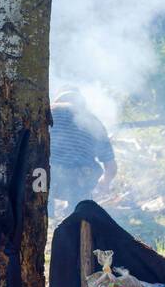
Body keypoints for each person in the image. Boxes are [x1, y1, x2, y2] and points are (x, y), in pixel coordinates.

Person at [50, 87, 118, 218]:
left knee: (42, 200)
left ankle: (44, 216)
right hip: (81, 176)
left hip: (47, 175)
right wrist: (104, 183)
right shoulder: (94, 121)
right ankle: (77, 220)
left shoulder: (48, 111)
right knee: (79, 212)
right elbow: (111, 167)